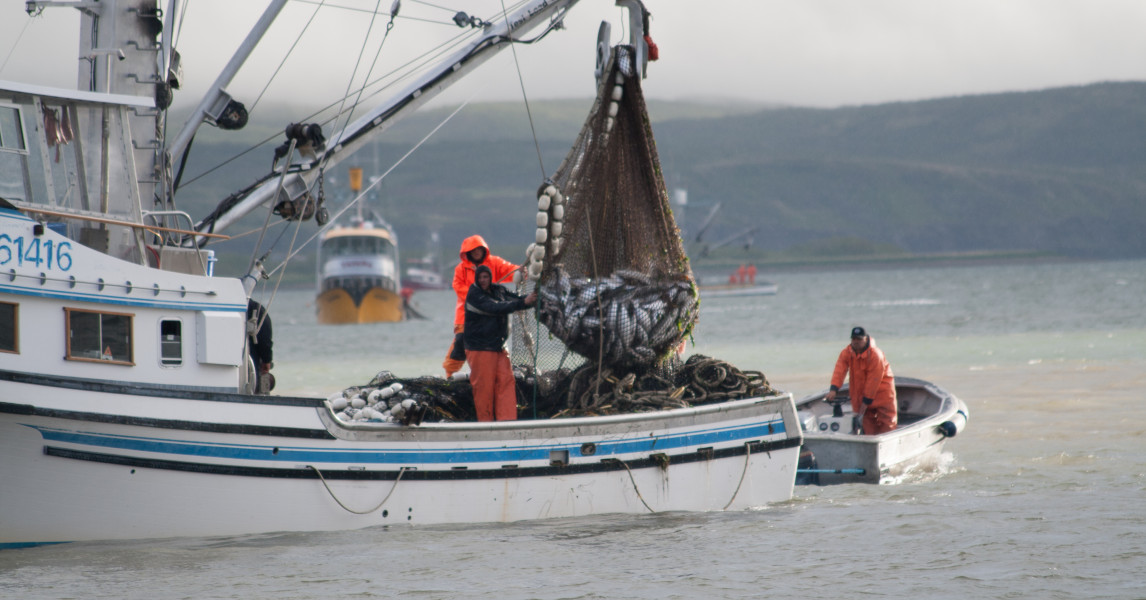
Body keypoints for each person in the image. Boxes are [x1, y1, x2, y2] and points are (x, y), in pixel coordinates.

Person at [463, 265, 537, 421]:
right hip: (480, 348)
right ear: (476, 279)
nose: (483, 280)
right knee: (484, 389)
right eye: (480, 277)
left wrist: (530, 299)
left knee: (506, 381)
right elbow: (495, 307)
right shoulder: (474, 295)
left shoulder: (499, 290)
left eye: (486, 277)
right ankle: (485, 424)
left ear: (490, 277)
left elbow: (516, 300)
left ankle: (507, 422)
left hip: (499, 347)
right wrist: (523, 302)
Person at [443, 235, 520, 378]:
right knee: (460, 343)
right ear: (467, 252)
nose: (477, 252)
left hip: (491, 316)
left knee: (494, 344)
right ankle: (450, 375)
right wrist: (480, 299)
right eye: (473, 249)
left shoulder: (495, 263)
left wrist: (521, 272)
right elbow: (458, 287)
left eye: (479, 249)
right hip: (466, 316)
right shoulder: (461, 269)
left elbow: (511, 270)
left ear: (484, 250)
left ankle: (494, 374)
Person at [825, 326, 897, 434]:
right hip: (859, 392)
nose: (856, 342)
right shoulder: (846, 352)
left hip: (882, 392)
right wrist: (833, 389)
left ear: (866, 339)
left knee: (887, 422)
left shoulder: (875, 355)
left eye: (859, 339)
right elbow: (839, 370)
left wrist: (866, 401)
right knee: (866, 423)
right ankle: (869, 443)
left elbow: (874, 380)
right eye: (854, 339)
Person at [247, 299, 274, 394]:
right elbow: (265, 338)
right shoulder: (256, 309)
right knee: (262, 393)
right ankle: (264, 399)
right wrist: (267, 360)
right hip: (253, 364)